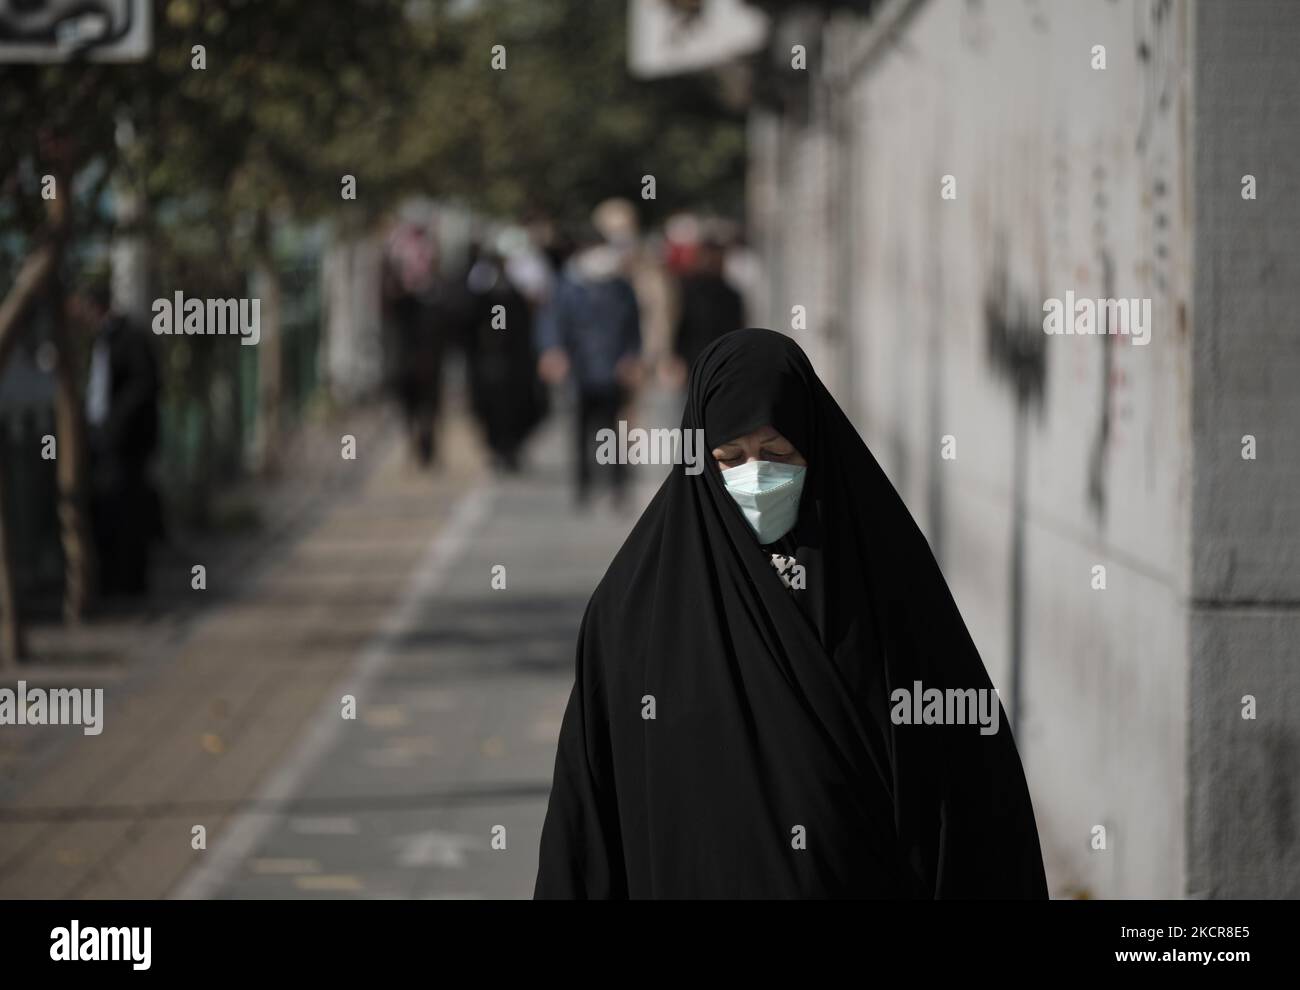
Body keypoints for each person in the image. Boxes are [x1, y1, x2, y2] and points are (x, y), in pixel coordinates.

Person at [535, 328, 1048, 898]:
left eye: (778, 453)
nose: (755, 476)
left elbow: (968, 785)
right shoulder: (631, 610)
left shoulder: (882, 577)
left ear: (814, 447)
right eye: (730, 457)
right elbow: (588, 815)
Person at [534, 226, 641, 506]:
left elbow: (633, 327)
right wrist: (553, 352)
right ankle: (584, 486)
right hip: (580, 370)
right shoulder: (567, 286)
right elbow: (552, 323)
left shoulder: (620, 287)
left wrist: (632, 358)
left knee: (616, 432)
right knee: (581, 429)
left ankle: (619, 486)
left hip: (614, 371)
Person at [74, 282, 161, 598]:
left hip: (126, 444)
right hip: (104, 441)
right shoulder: (100, 340)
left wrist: (114, 425)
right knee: (108, 510)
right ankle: (114, 579)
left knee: (128, 511)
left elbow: (144, 385)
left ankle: (129, 582)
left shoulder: (129, 337)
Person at [463, 248, 545, 471]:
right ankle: (499, 449)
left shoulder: (513, 298)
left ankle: (509, 449)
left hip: (512, 366)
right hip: (489, 365)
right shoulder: (483, 298)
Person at [672, 236, 745, 374]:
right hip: (694, 361)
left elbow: (737, 331)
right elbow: (681, 325)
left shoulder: (731, 295)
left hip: (721, 362)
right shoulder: (689, 290)